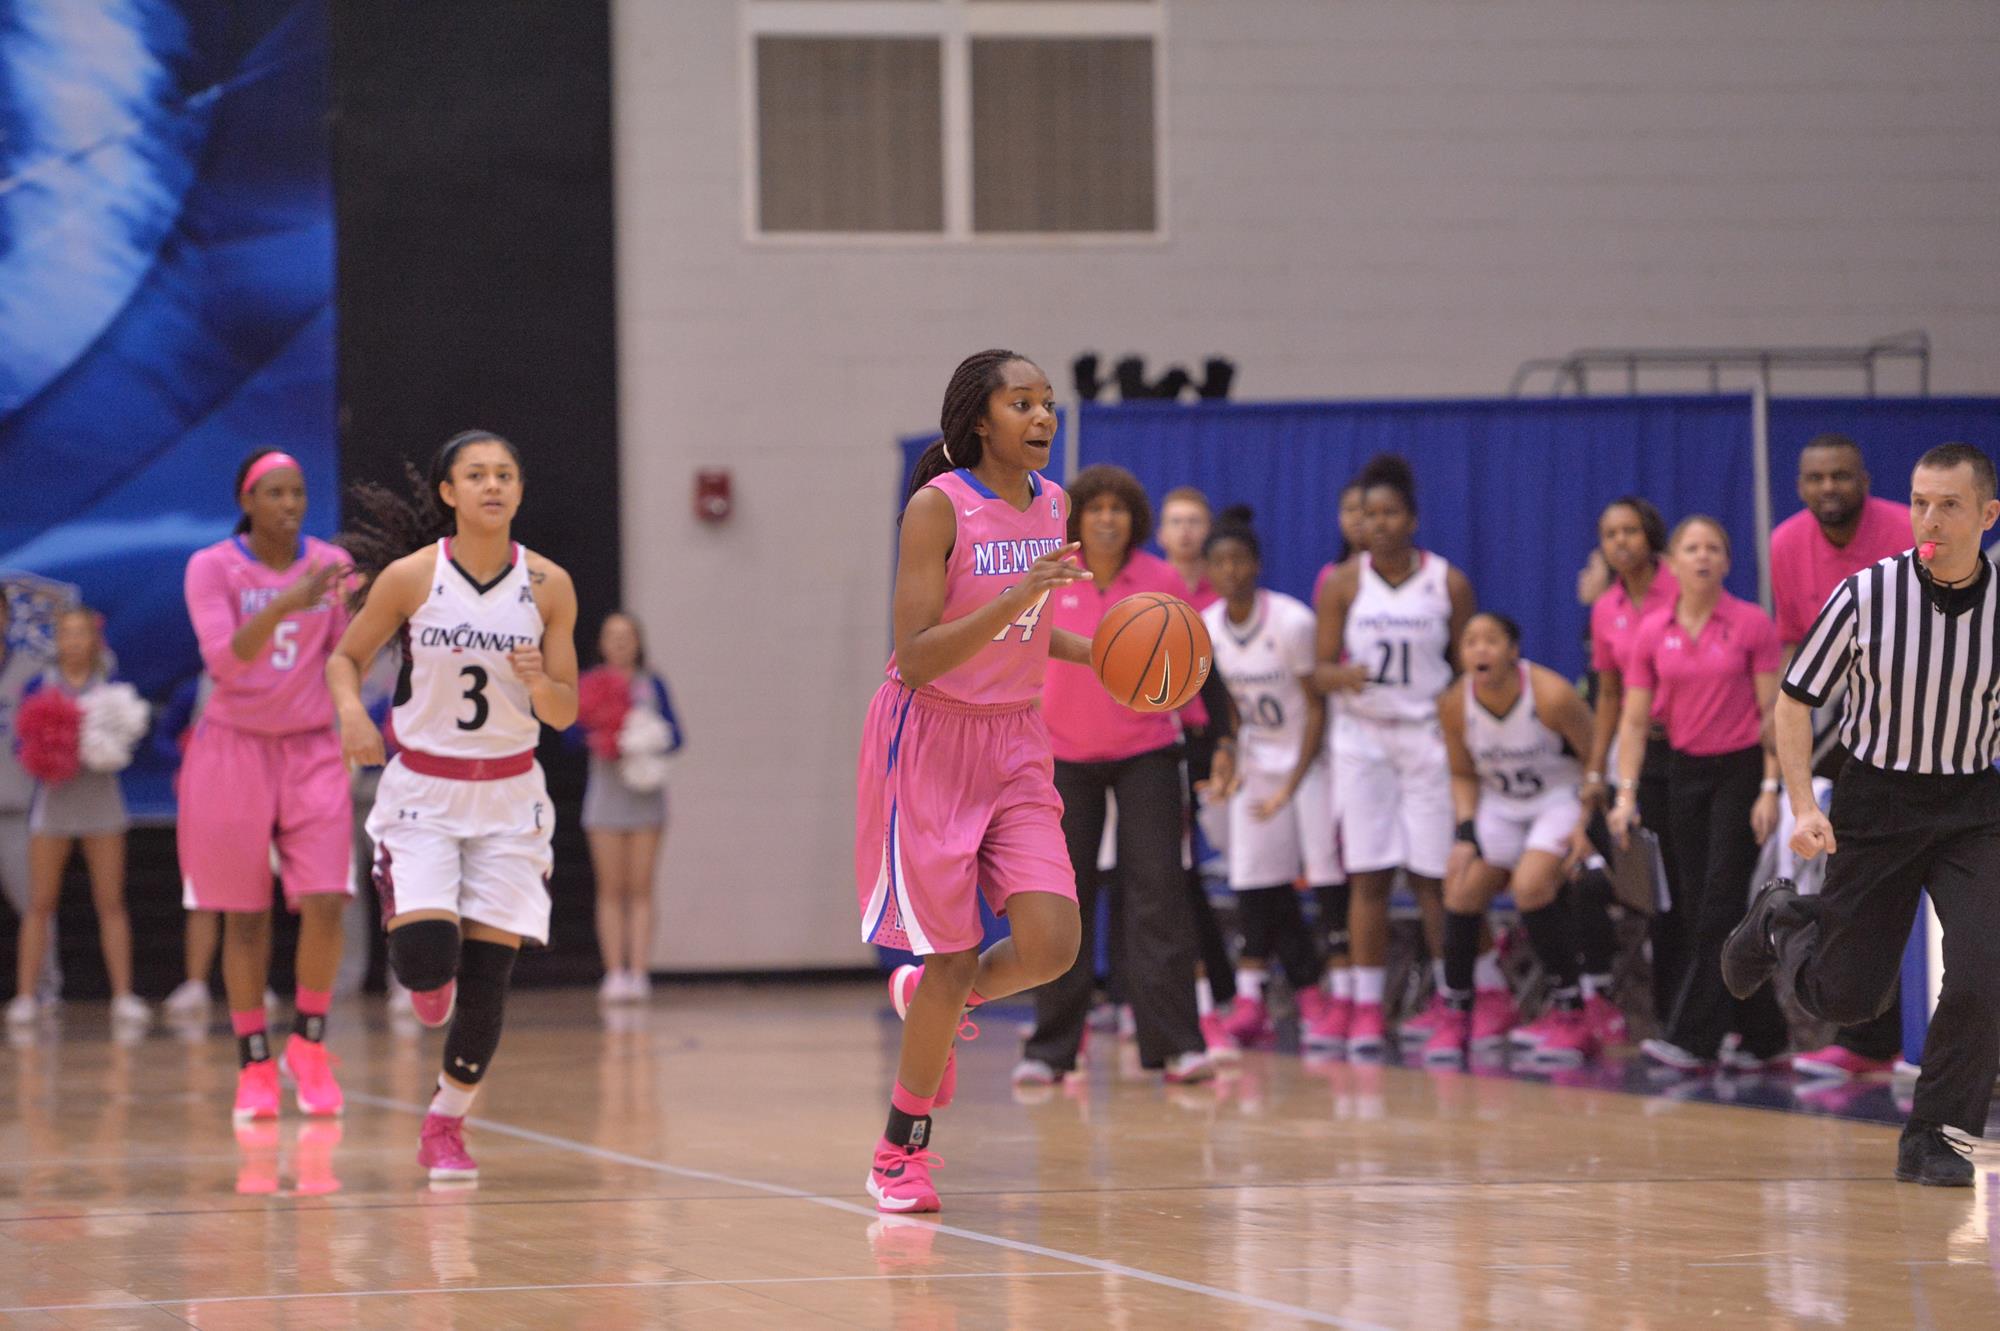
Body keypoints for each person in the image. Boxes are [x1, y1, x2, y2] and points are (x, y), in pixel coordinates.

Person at [1725, 443, 2000, 1187]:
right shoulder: (1866, 593)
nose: (1929, 519)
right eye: (1919, 502)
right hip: (1879, 797)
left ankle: (1937, 1134)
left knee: (1987, 970)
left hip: (1973, 803)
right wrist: (1802, 803)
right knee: (1847, 995)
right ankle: (1782, 921)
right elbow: (1794, 701)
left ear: (1988, 515)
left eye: (1948, 505)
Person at [857, 350, 1086, 1214]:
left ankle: (934, 1001)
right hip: (930, 738)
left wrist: (1102, 653)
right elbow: (917, 655)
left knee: (1052, 943)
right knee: (951, 954)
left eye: (1048, 403)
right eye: (1022, 402)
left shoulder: (1053, 503)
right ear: (980, 418)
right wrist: (1019, 594)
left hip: (1015, 738)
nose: (1042, 416)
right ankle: (899, 1150)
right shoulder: (937, 507)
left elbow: (1026, 631)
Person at [328, 430, 580, 1183]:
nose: (492, 485)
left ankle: (446, 1122)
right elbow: (346, 657)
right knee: (428, 962)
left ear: (520, 490)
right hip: (426, 792)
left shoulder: (550, 584)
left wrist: (539, 685)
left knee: (489, 978)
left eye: (505, 474)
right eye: (476, 475)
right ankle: (420, 956)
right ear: (449, 492)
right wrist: (351, 712)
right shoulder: (412, 577)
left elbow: (564, 710)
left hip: (510, 793)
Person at [1016, 462, 1230, 1088]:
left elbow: (1196, 665)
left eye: (1118, 508)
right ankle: (1052, 1049)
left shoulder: (1160, 579)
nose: (1107, 518)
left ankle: (1177, 1044)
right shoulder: (1054, 574)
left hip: (1148, 752)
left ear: (1134, 519)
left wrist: (1218, 738)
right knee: (1064, 901)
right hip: (1063, 756)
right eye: (1096, 507)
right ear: (1078, 517)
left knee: (1159, 894)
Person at [180, 449, 355, 1120]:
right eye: (275, 492)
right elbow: (225, 662)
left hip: (310, 747)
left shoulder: (332, 564)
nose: (289, 503)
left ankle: (308, 1045)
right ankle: (254, 1061)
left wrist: (353, 711)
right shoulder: (211, 566)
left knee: (327, 898)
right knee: (245, 913)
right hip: (233, 748)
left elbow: (344, 657)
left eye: (298, 492)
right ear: (247, 501)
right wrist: (286, 603)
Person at [1608, 516, 1788, 1073]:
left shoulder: (1751, 623)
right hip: (1683, 775)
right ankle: (1764, 1034)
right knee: (1697, 910)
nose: (1703, 556)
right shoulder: (1652, 630)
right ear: (1673, 562)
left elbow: (1773, 715)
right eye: (1692, 548)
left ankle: (1694, 1040)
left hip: (1740, 773)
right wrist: (1625, 794)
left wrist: (1770, 787)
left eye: (1714, 548)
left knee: (1719, 904)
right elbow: (1634, 721)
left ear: (1727, 562)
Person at [1314, 454, 1474, 1057]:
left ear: (1412, 519)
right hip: (1363, 741)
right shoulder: (1343, 582)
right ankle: (1365, 1006)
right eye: (1370, 514)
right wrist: (1341, 676)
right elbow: (1316, 671)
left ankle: (1453, 1003)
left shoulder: (1447, 583)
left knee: (1434, 879)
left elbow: (1468, 670)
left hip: (1426, 739)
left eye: (1390, 513)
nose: (1378, 523)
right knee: (1369, 876)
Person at [1767, 434, 1911, 1082]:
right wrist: (1782, 737)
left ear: (1865, 480)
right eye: (1817, 477)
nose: (1829, 487)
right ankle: (1862, 1034)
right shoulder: (1785, 543)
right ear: (1801, 486)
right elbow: (1794, 647)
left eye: (1841, 475)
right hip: (1841, 724)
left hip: (1913, 723)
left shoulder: (1906, 530)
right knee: (1839, 869)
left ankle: (1896, 1038)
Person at [1428, 614, 1599, 1065]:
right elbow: (1463, 774)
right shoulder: (1454, 704)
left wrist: (1587, 822)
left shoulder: (1552, 695)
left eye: (1491, 640)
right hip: (1501, 804)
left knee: (1530, 885)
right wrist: (1466, 834)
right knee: (1461, 887)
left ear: (1513, 651)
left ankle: (1572, 1012)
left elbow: (1596, 756)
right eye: (1470, 641)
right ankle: (1458, 1011)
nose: (1479, 649)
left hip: (1556, 798)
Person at [1200, 508, 1341, 1050]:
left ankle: (1334, 994)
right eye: (1220, 562)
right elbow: (1225, 709)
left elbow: (1316, 706)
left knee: (1323, 873)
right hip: (1255, 760)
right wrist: (1228, 757)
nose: (1230, 570)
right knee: (1255, 877)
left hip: (1309, 758)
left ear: (1257, 565)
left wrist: (1293, 783)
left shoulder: (1292, 621)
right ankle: (1257, 997)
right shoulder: (1207, 626)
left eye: (1239, 559)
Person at [9, 608, 148, 1028]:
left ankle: (123, 995)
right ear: (57, 640)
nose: (73, 641)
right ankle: (26, 997)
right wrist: (51, 747)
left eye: (81, 633)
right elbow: (22, 742)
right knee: (39, 904)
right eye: (66, 633)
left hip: (102, 804)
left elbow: (132, 738)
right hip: (54, 805)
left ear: (94, 639)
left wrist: (104, 743)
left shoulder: (112, 687)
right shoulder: (40, 686)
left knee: (111, 902)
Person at [1579, 496, 1685, 1025]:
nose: (1620, 542)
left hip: (1693, 747)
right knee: (1655, 885)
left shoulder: (1682, 586)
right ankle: (1669, 1016)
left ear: (1651, 535)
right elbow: (1608, 696)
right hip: (1639, 753)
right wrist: (1596, 769)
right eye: (1610, 533)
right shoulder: (1606, 608)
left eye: (1630, 531)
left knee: (1691, 885)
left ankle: (1711, 1019)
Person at [578, 611, 683, 1003]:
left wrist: (648, 735)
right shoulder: (590, 682)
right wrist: (604, 734)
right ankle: (614, 972)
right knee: (611, 888)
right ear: (602, 643)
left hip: (645, 798)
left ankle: (639, 972)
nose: (620, 642)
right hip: (606, 797)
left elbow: (677, 736)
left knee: (641, 887)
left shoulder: (652, 683)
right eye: (612, 635)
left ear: (638, 642)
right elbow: (571, 733)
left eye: (627, 636)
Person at [0, 588, 61, 1010]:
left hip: (17, 811)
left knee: (35, 905)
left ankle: (45, 991)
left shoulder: (34, 673)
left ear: (7, 617)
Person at [1157, 487, 1218, 608]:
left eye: (1194, 521)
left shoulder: (1225, 589)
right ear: (1161, 534)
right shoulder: (1148, 589)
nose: (1185, 529)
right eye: (1176, 521)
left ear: (1210, 531)